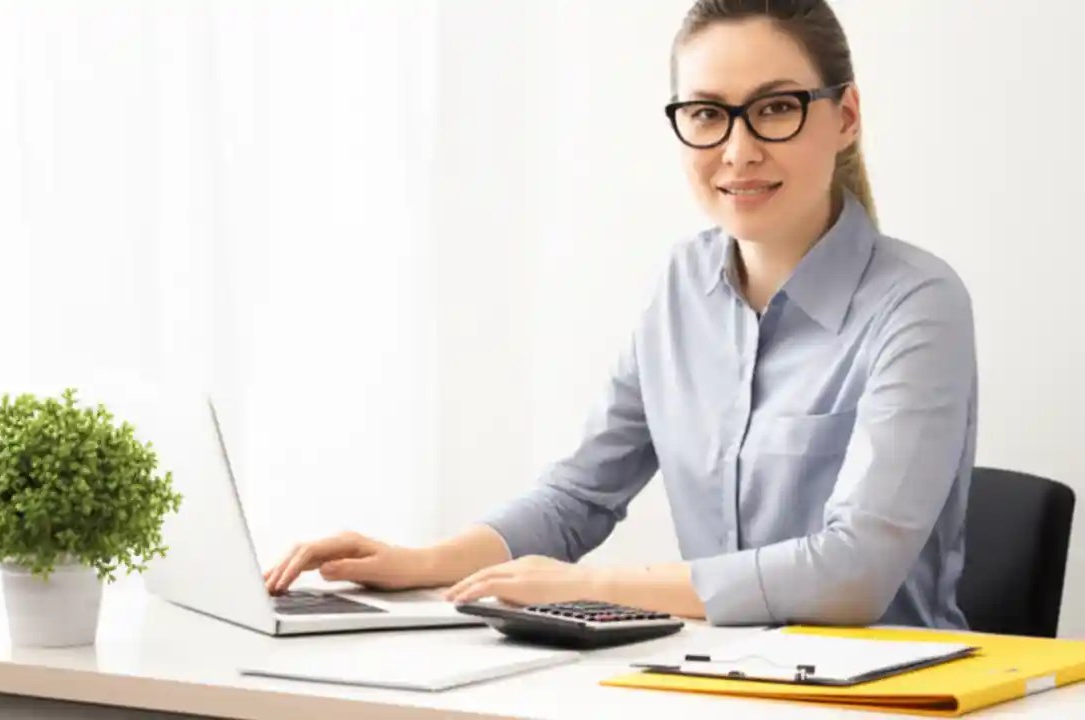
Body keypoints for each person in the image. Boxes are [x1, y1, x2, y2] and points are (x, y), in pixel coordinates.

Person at [264, 0, 976, 629]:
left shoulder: (917, 305)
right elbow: (579, 496)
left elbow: (852, 575)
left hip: (884, 696)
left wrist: (589, 589)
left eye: (776, 107)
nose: (738, 149)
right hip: (713, 683)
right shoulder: (680, 286)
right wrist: (424, 561)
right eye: (706, 113)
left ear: (844, 116)